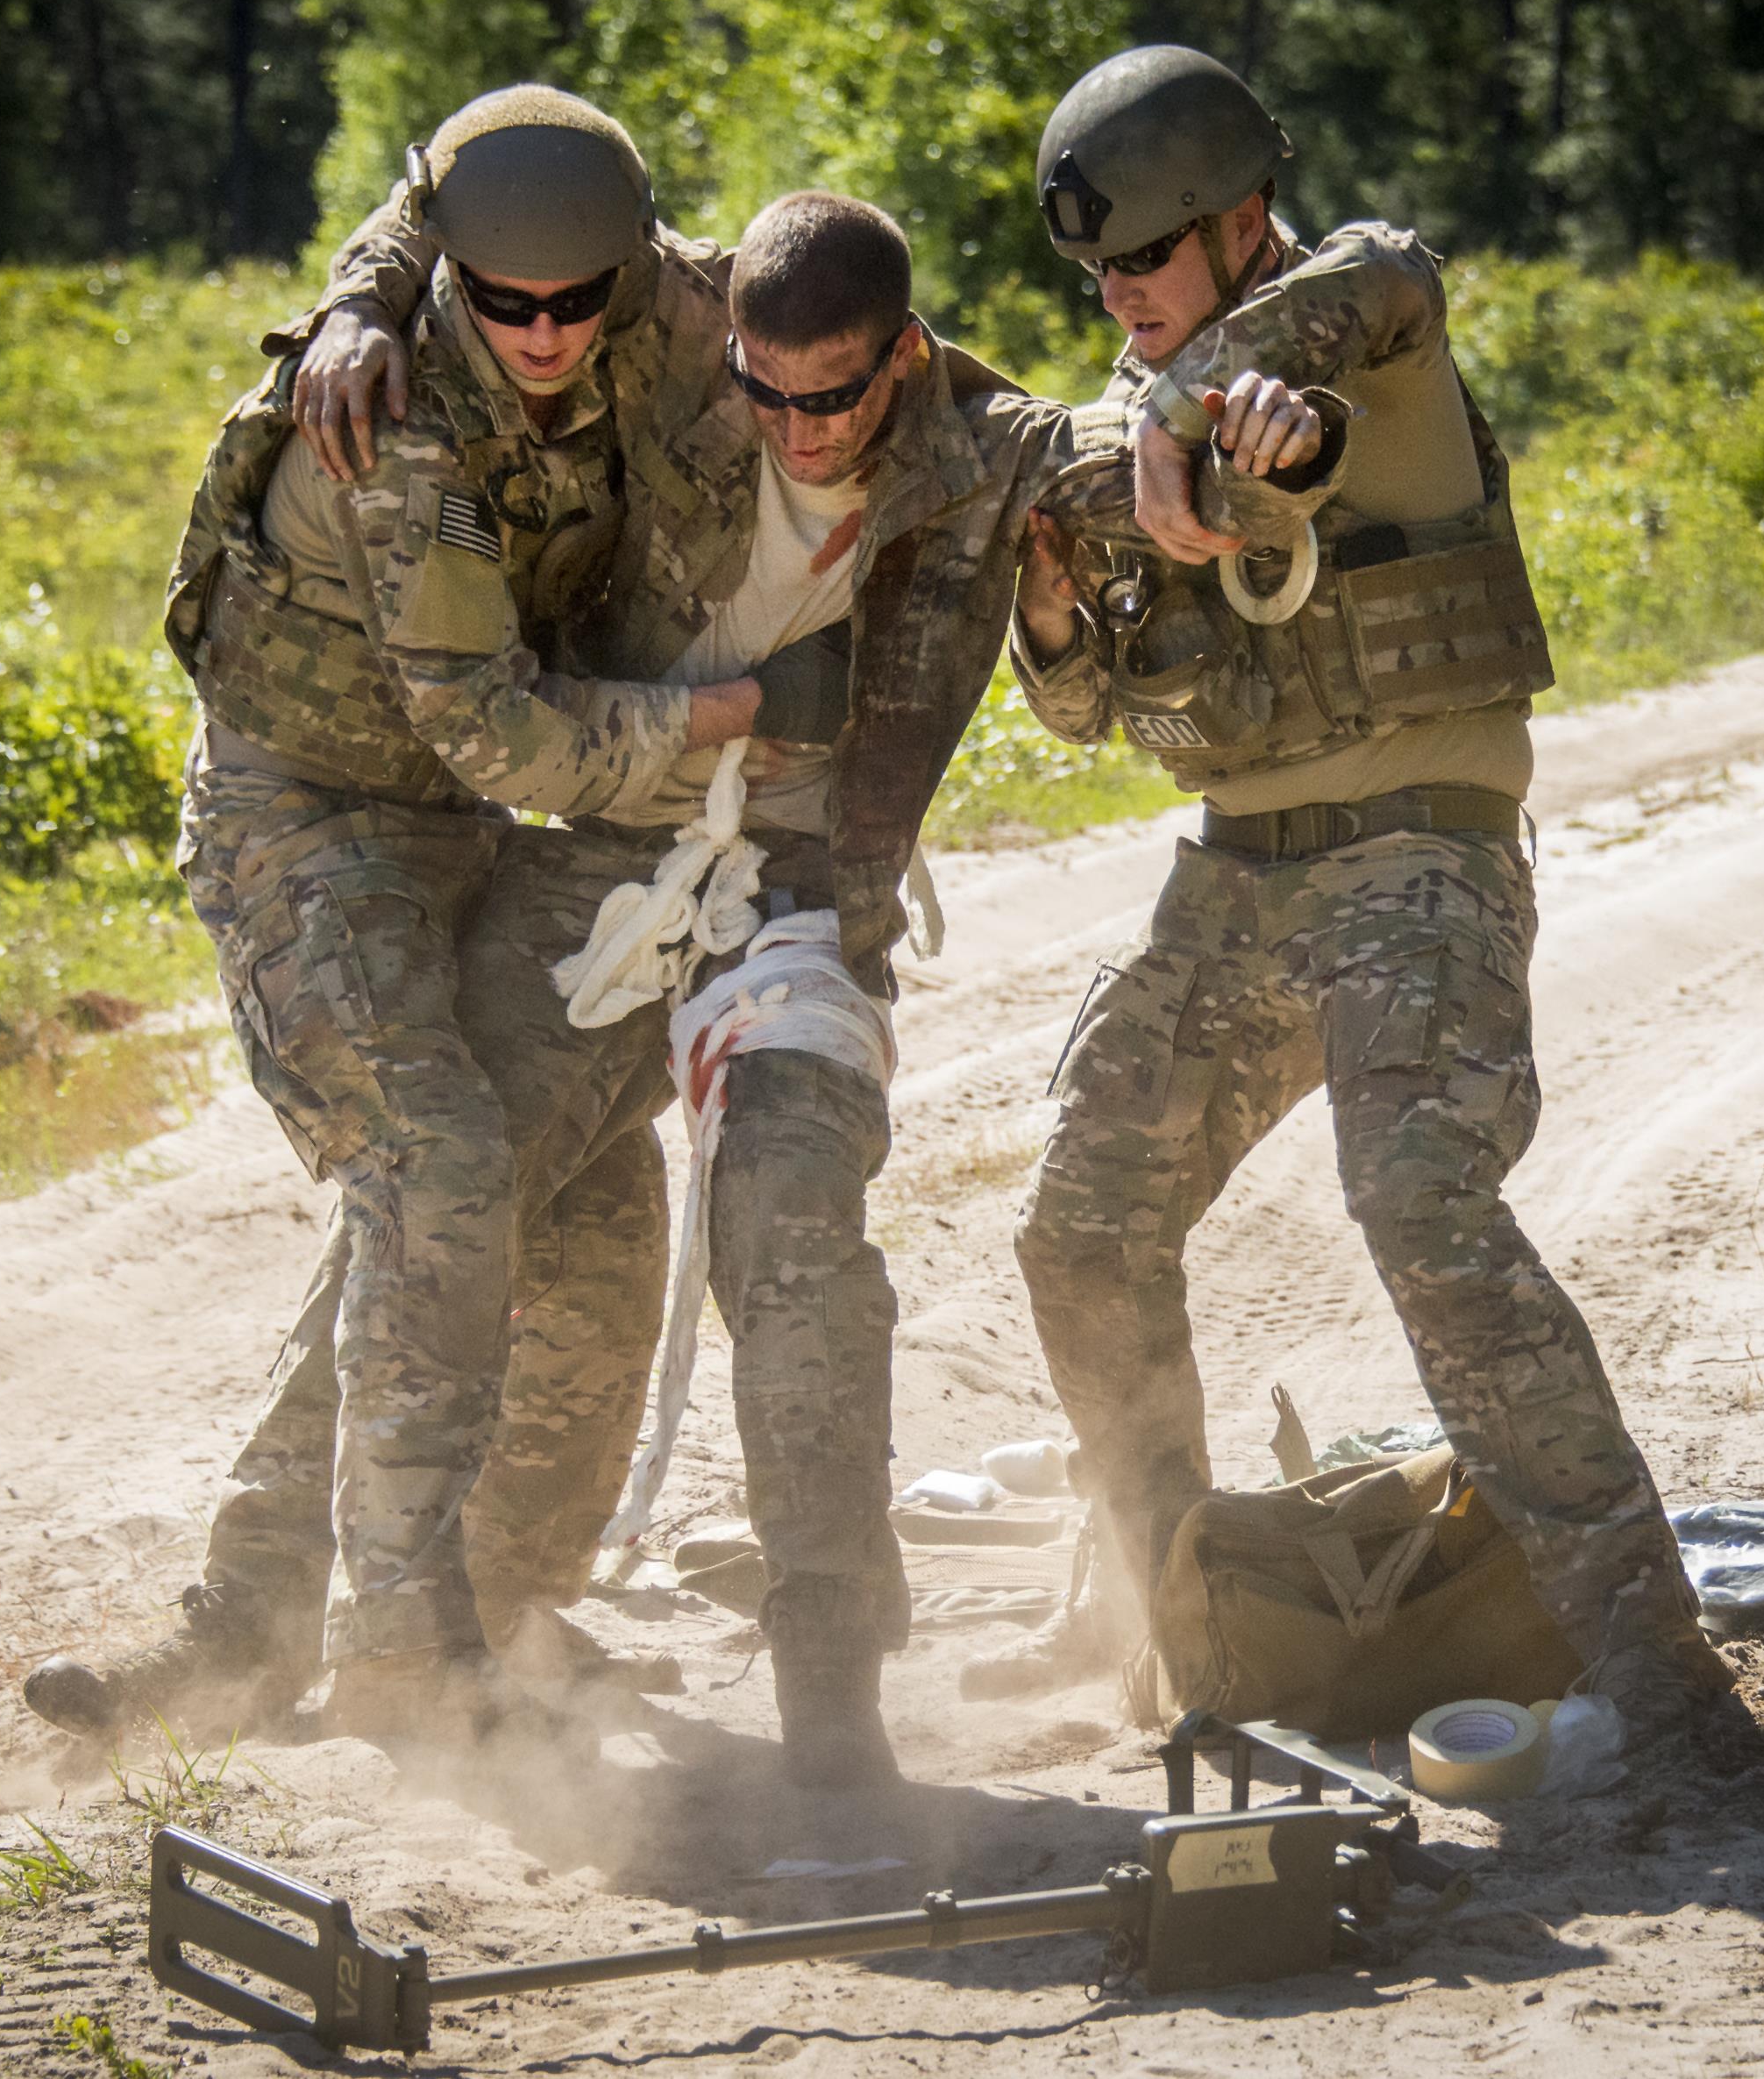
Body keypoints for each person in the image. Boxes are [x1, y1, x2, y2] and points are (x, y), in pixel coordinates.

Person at [252, 183, 1164, 1788]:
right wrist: (352, 308)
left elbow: (1144, 505)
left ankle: (832, 1691)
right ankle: (245, 1616)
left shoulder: (997, 450)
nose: (797, 429)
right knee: (441, 1198)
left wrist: (1228, 464)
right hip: (608, 851)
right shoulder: (676, 326)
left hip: (803, 902)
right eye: (766, 391)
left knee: (793, 1239)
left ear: (905, 358)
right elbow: (478, 187)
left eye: (837, 396)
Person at [20, 86, 818, 1746]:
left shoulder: (650, 290)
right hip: (302, 819)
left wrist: (1137, 447)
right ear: (453, 277)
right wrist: (730, 721)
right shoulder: (388, 422)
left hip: (461, 828)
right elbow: (503, 732)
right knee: (438, 1172)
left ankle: (492, 1612)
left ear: (625, 268)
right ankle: (328, 1641)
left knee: (580, 1202)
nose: (542, 330)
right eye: (500, 298)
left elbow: (862, 337)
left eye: (573, 301)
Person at [985, 45, 1732, 1735]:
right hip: (1240, 879)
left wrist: (1200, 414)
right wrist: (1048, 604)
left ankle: (1658, 1673)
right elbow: (1088, 705)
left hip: (1422, 856)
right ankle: (1169, 1613)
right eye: (1096, 270)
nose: (1120, 294)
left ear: (1243, 221)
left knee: (1422, 1208)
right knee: (1079, 1227)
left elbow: (1391, 275)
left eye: (1149, 258)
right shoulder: (1130, 419)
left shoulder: (1355, 334)